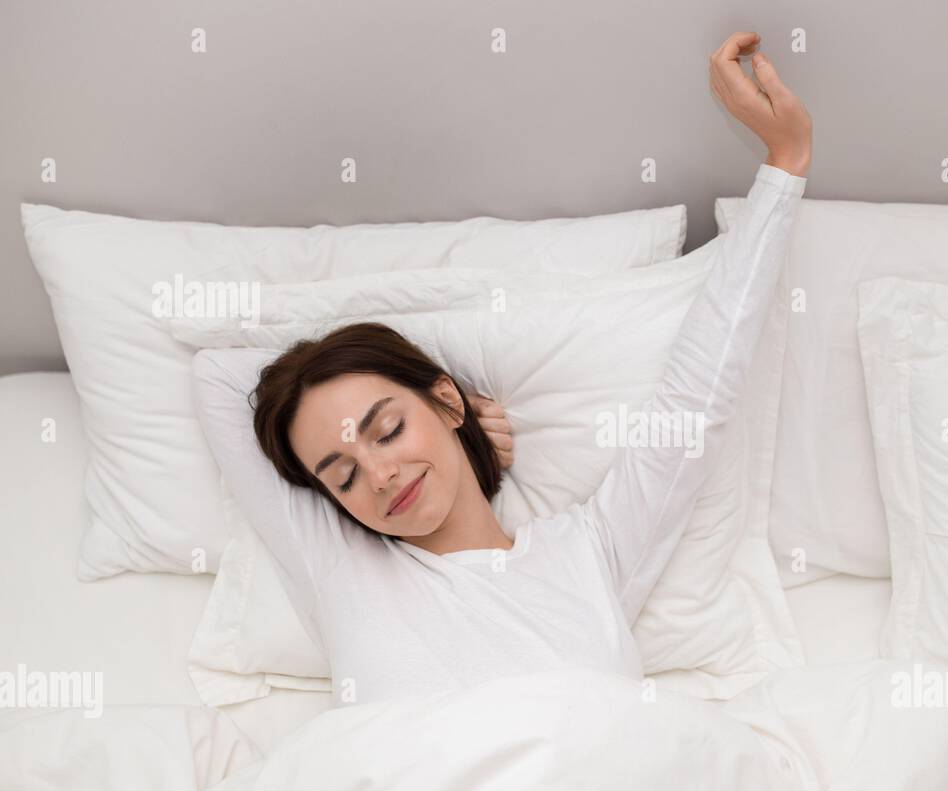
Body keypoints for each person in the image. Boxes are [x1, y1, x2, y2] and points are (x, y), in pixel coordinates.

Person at [191, 30, 812, 706]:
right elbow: (220, 377)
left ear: (445, 405)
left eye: (388, 429)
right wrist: (444, 393)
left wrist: (786, 163)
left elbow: (699, 397)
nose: (377, 476)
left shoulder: (589, 553)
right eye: (340, 474)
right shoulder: (339, 568)